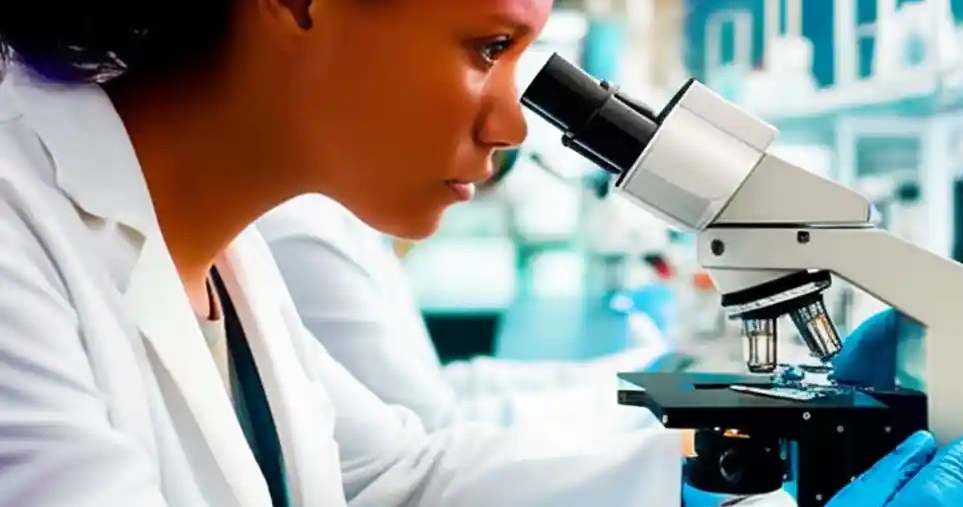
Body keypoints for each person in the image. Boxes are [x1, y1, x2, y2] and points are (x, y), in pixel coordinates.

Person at [0, 0, 963, 507]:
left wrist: (772, 454)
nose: (506, 123)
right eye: (487, 46)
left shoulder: (231, 251)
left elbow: (393, 477)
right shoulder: (18, 244)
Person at [257, 192, 669, 432]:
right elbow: (432, 429)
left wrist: (622, 382)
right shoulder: (301, 231)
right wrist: (636, 410)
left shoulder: (343, 217)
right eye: (489, 52)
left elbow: (437, 388)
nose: (510, 126)